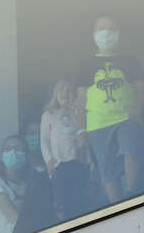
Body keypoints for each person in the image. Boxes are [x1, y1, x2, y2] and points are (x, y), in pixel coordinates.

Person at [77, 16, 144, 202]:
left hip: (126, 117)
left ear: (118, 33)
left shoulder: (130, 60)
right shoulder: (86, 65)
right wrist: (81, 129)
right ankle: (116, 205)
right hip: (98, 123)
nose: (106, 32)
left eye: (110, 27)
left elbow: (140, 87)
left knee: (130, 148)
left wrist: (138, 107)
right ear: (93, 34)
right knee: (107, 168)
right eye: (101, 28)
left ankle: (132, 194)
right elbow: (81, 99)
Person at [40, 79, 91, 220]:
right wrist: (49, 159)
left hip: (79, 160)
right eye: (62, 90)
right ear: (56, 94)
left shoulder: (79, 113)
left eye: (69, 90)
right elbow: (44, 140)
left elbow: (84, 132)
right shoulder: (49, 114)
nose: (66, 93)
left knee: (79, 195)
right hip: (59, 162)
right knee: (62, 198)